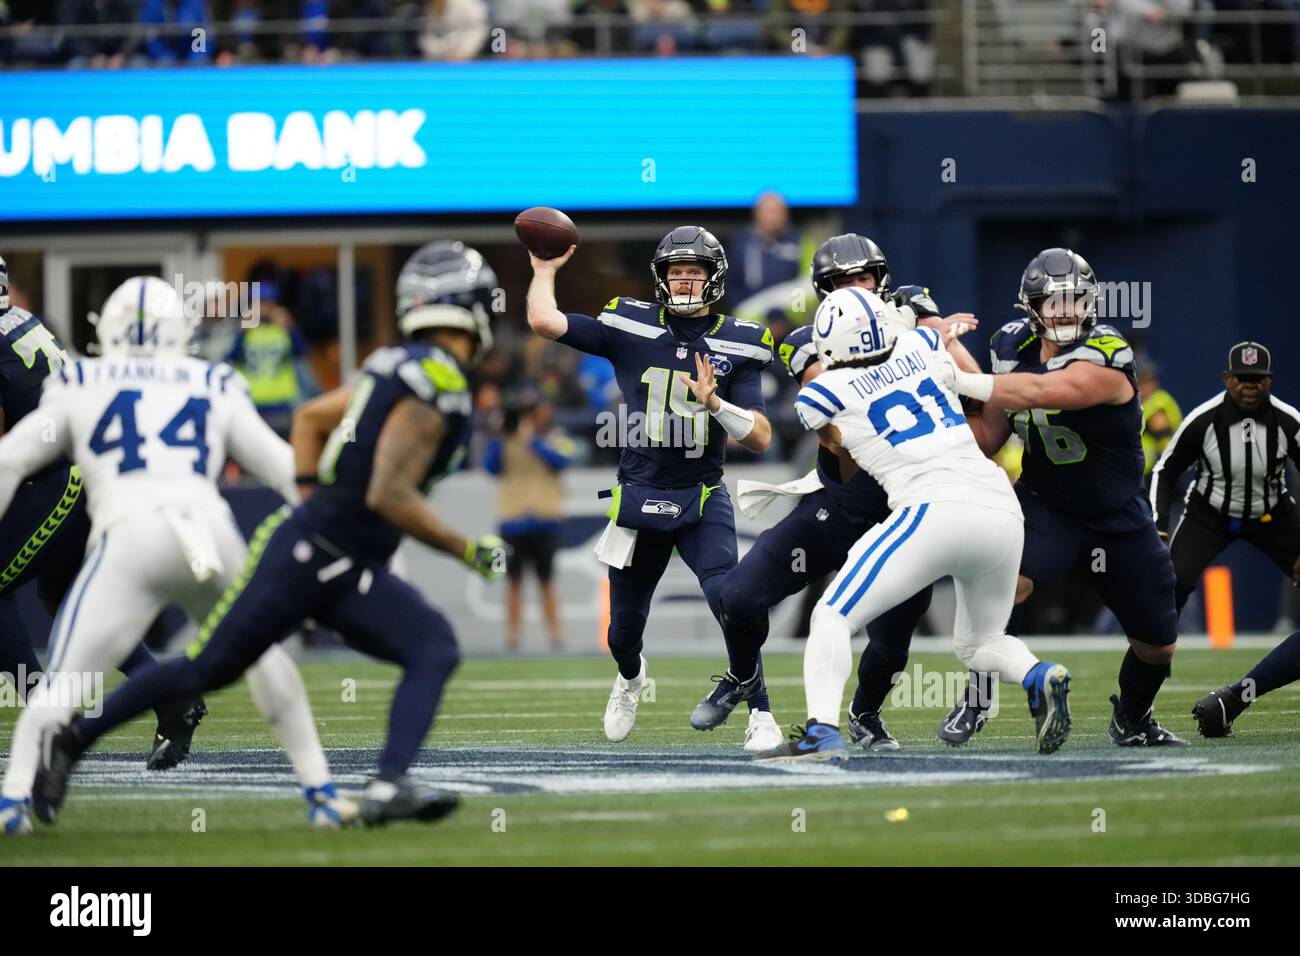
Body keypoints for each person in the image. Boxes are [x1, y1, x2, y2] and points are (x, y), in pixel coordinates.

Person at [29, 243, 508, 828]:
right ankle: (72, 740)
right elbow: (389, 494)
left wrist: (312, 502)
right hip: (322, 557)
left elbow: (309, 420)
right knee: (220, 666)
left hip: (327, 551)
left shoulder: (393, 363)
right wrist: (466, 549)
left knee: (416, 647)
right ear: (470, 310)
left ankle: (386, 786)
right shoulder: (440, 383)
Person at [0, 276, 351, 835]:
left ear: (108, 330)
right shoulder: (213, 379)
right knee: (266, 659)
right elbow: (285, 467)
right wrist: (336, 526)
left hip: (131, 535)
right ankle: (322, 792)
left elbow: (11, 459)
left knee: (65, 681)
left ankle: (15, 798)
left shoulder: (85, 379)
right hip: (207, 532)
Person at [756, 288, 1072, 761]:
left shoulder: (824, 390)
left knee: (832, 616)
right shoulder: (919, 345)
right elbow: (926, 335)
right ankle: (1036, 673)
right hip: (999, 505)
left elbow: (823, 429)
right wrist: (915, 319)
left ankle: (821, 731)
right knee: (982, 642)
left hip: (930, 506)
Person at [526, 226, 781, 748]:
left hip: (702, 495)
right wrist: (544, 270)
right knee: (621, 633)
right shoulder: (629, 323)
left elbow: (760, 436)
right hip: (638, 494)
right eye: (676, 272)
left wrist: (716, 405)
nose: (685, 281)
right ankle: (630, 677)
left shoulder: (741, 340)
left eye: (695, 272)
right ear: (661, 279)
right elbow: (542, 321)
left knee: (732, 601)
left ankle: (760, 712)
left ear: (715, 278)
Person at [720, 233, 977, 751]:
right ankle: (746, 678)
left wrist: (930, 326)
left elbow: (979, 393)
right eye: (839, 282)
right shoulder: (803, 341)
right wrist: (914, 337)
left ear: (879, 278)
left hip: (905, 514)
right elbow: (843, 423)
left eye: (861, 278)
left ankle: (865, 714)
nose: (853, 290)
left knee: (890, 645)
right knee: (739, 594)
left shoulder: (912, 325)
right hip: (837, 506)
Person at [943, 248, 1187, 747]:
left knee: (1158, 643)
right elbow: (989, 435)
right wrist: (936, 388)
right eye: (1052, 302)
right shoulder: (1009, 345)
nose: (1065, 310)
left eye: (1074, 298)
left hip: (1117, 512)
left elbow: (1041, 392)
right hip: (1045, 502)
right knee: (1005, 583)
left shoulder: (1108, 350)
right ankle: (979, 694)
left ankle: (1133, 719)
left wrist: (961, 374)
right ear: (1030, 306)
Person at [0, 256, 204, 775]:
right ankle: (170, 697)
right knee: (65, 592)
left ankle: (50, 721)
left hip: (59, 476)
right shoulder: (22, 321)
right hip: (85, 469)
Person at [1150, 341, 1300, 615]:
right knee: (1171, 584)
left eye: (1257, 379)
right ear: (1227, 379)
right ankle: (1149, 654)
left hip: (1272, 514)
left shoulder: (1288, 421)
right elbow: (1165, 471)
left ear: (1269, 381)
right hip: (1209, 514)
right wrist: (1158, 530)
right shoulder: (1203, 420)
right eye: (1242, 378)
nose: (1249, 386)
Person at [483, 392, 575, 650]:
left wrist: (532, 440)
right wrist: (500, 435)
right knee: (513, 580)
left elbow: (563, 461)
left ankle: (555, 635)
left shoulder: (555, 437)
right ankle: (512, 636)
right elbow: (490, 467)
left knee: (546, 580)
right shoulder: (505, 441)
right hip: (513, 518)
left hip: (545, 519)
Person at [1139, 361, 1182, 478]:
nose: (1150, 384)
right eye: (1145, 380)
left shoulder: (1158, 404)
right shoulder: (1133, 402)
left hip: (1158, 472)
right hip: (1139, 473)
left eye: (1152, 380)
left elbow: (1164, 440)